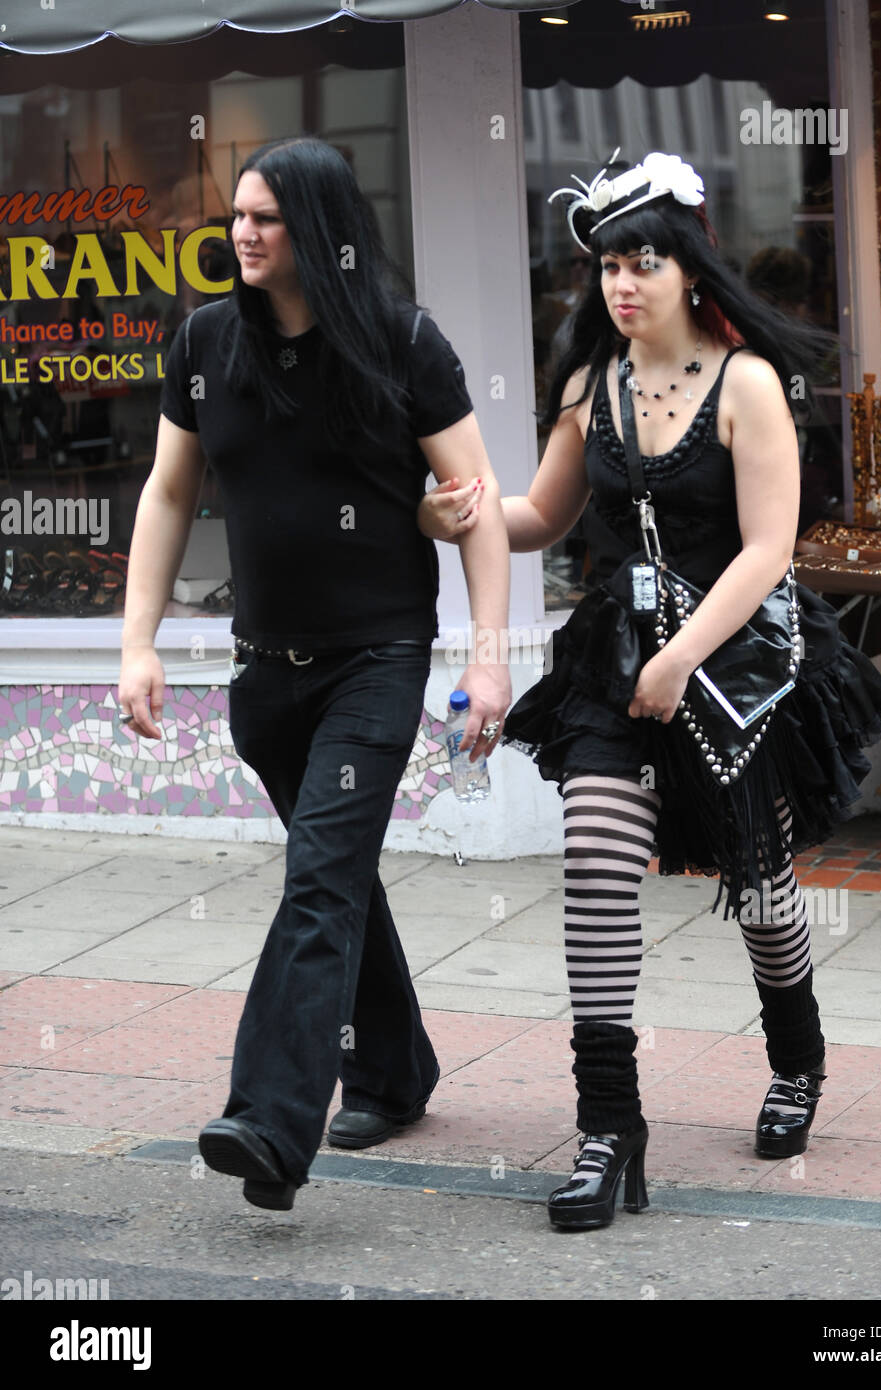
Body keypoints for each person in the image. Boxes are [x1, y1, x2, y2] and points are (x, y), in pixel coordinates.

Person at [419, 151, 881, 1230]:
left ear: (689, 269)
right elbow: (538, 517)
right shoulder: (591, 388)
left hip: (734, 667)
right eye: (605, 269)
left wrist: (681, 654)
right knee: (593, 853)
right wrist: (459, 515)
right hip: (607, 657)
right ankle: (607, 1129)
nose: (620, 286)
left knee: (764, 890)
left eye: (641, 263)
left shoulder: (747, 385)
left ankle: (796, 1059)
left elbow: (769, 548)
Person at [117, 136, 511, 1211]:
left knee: (319, 878)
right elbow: (165, 492)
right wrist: (137, 641)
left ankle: (271, 1121)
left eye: (265, 219)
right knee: (333, 879)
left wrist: (487, 655)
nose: (240, 233)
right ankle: (393, 1068)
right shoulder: (203, 342)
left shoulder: (399, 341)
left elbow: (474, 504)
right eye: (235, 216)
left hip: (375, 663)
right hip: (264, 677)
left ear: (320, 230)